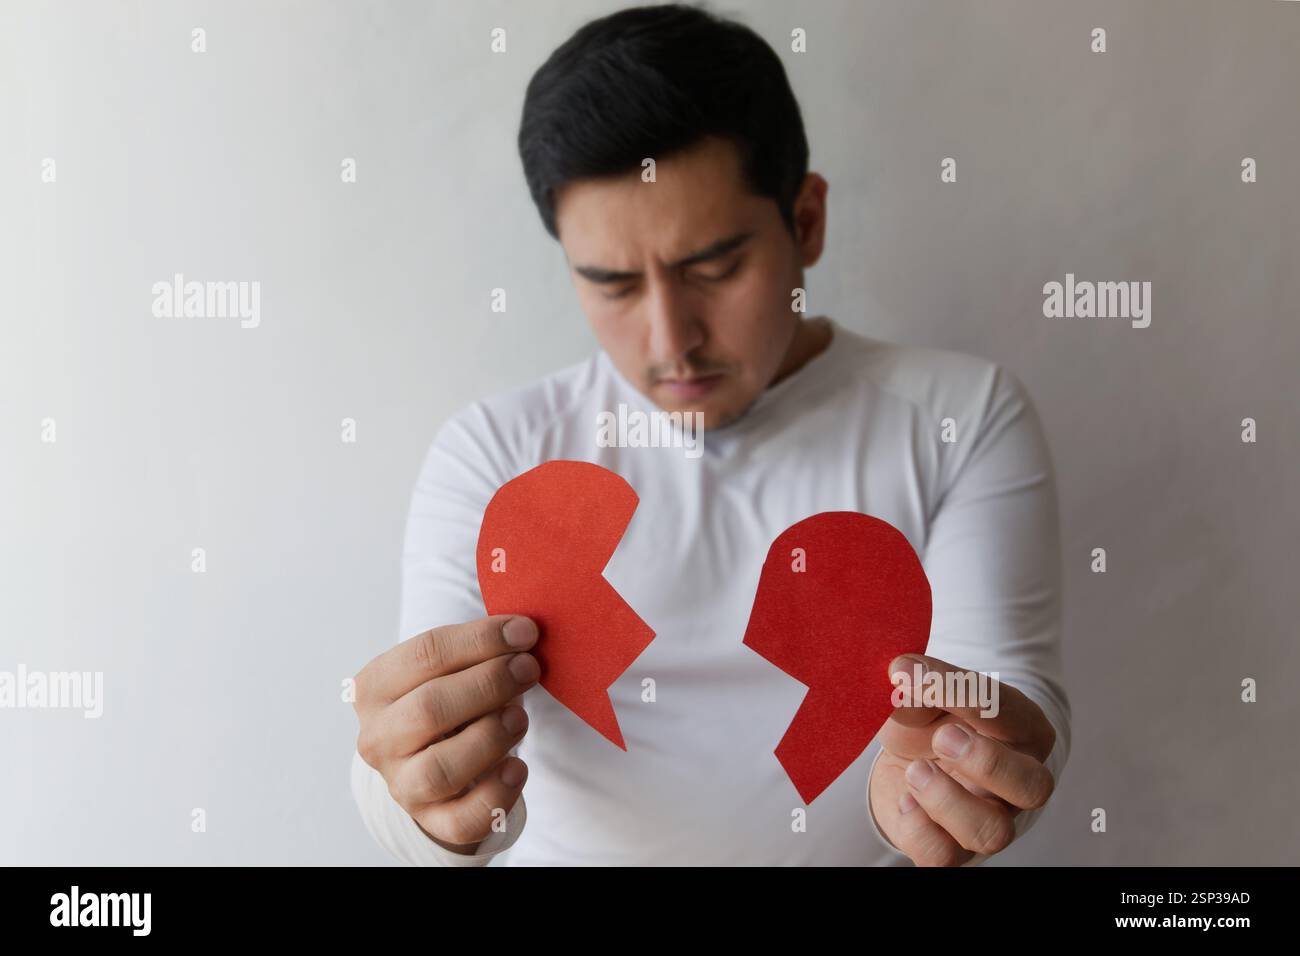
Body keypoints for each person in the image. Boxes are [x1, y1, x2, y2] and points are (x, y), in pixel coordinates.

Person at [350, 3, 1069, 866]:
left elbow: (1009, 693)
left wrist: (960, 780)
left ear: (805, 222)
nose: (670, 339)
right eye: (612, 284)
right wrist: (418, 805)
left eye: (715, 268)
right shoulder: (497, 454)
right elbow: (420, 786)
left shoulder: (961, 416)